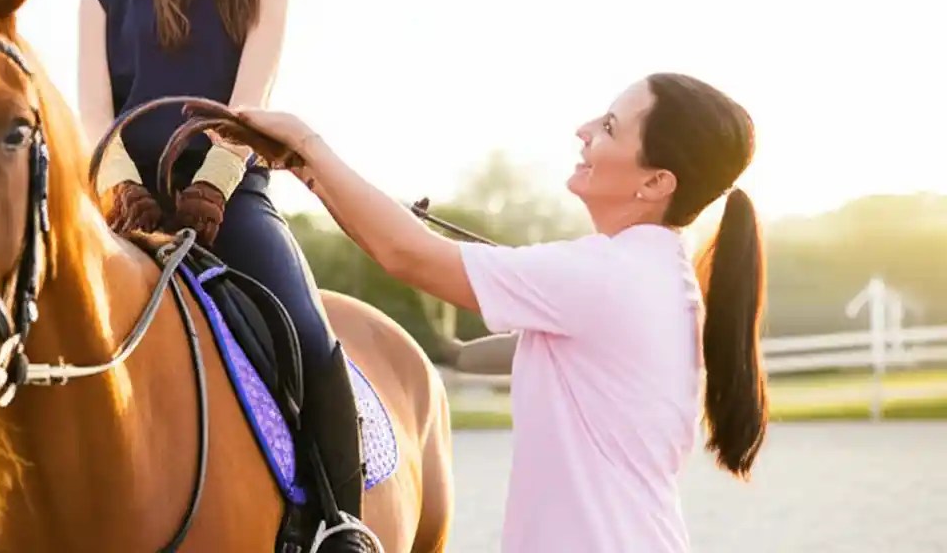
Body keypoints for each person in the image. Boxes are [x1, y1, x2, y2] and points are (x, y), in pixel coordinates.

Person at [207, 72, 770, 552]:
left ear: (656, 182)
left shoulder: (610, 275)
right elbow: (531, 351)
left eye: (610, 128)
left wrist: (307, 145)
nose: (584, 130)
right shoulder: (653, 275)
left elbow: (409, 253)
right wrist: (308, 168)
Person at [76, 0, 380, 550]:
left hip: (228, 194)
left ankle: (340, 520)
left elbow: (254, 94)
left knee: (308, 331)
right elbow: (93, 109)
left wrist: (212, 184)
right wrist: (120, 189)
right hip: (127, 205)